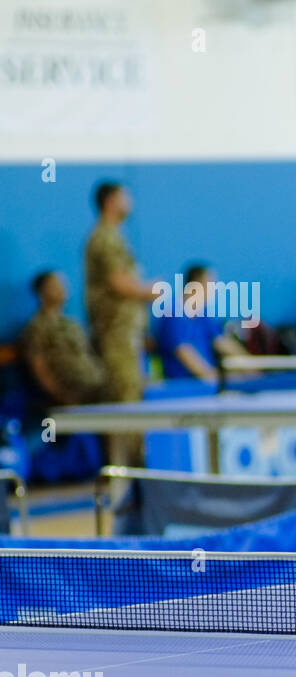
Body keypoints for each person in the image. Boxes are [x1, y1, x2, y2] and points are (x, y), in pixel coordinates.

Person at [84, 181, 157, 466]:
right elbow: (119, 283)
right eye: (125, 196)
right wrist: (151, 290)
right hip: (116, 334)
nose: (131, 201)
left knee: (131, 394)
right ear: (111, 201)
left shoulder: (115, 236)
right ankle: (129, 470)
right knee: (125, 399)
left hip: (127, 335)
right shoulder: (104, 238)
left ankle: (131, 467)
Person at [20, 272, 107, 406]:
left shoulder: (72, 324)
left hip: (95, 387)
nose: (62, 289)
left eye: (63, 285)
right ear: (42, 292)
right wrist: (62, 396)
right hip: (71, 394)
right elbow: (39, 367)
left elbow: (89, 355)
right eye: (55, 285)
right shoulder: (37, 327)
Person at [155, 263, 246, 383]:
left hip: (206, 383)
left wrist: (252, 366)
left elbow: (222, 342)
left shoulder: (203, 314)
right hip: (183, 387)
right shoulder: (173, 315)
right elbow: (183, 352)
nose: (214, 289)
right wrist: (216, 379)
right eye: (211, 284)